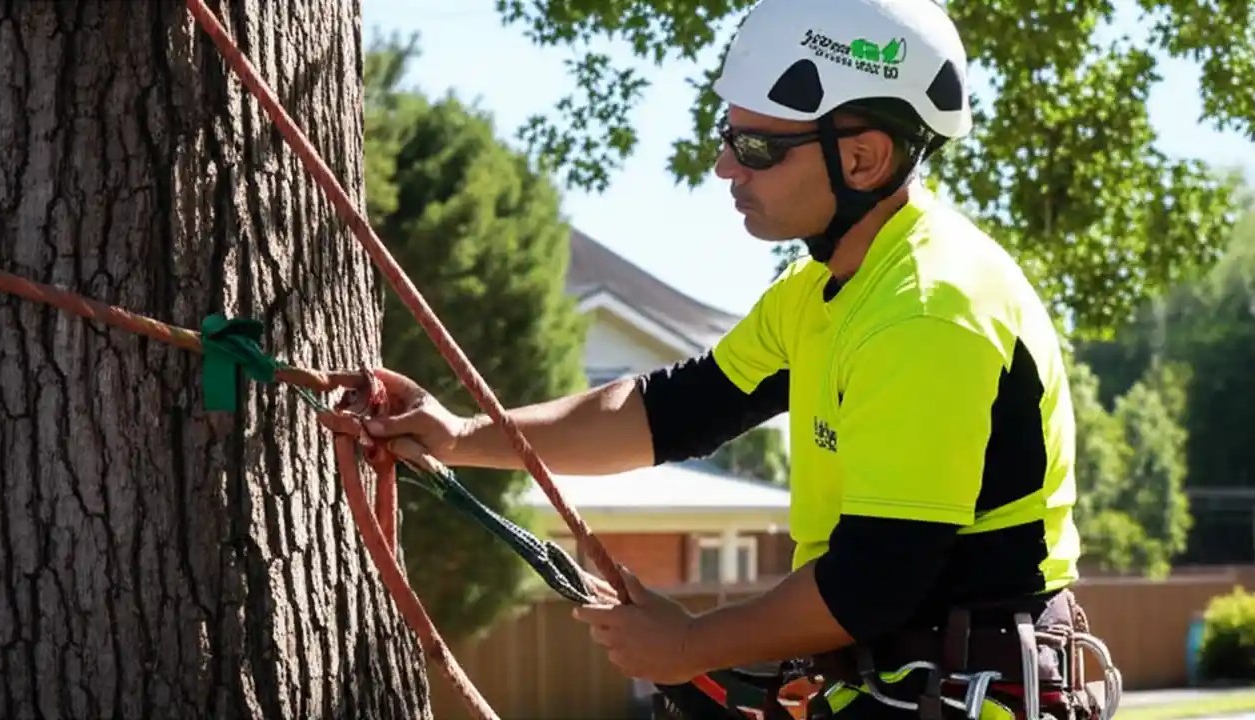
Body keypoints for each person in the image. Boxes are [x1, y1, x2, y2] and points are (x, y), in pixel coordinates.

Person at [361, 0, 1117, 717]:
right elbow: (669, 412)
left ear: (863, 157)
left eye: (756, 146)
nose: (726, 166)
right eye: (728, 133)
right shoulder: (825, 290)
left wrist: (688, 645)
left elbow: (876, 580)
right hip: (906, 677)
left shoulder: (925, 311)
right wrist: (460, 438)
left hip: (956, 681)